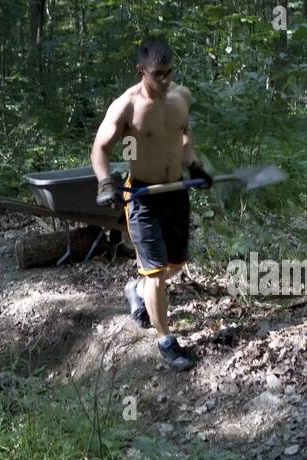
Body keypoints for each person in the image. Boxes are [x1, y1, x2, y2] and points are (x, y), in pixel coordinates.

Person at [90, 38, 213, 372]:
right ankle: (166, 341)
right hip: (142, 197)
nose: (164, 80)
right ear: (140, 70)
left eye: (169, 72)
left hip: (175, 191)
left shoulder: (181, 97)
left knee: (175, 265)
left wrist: (195, 165)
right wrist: (105, 183)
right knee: (157, 271)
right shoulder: (126, 105)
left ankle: (136, 288)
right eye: (158, 74)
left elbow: (184, 135)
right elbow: (100, 148)